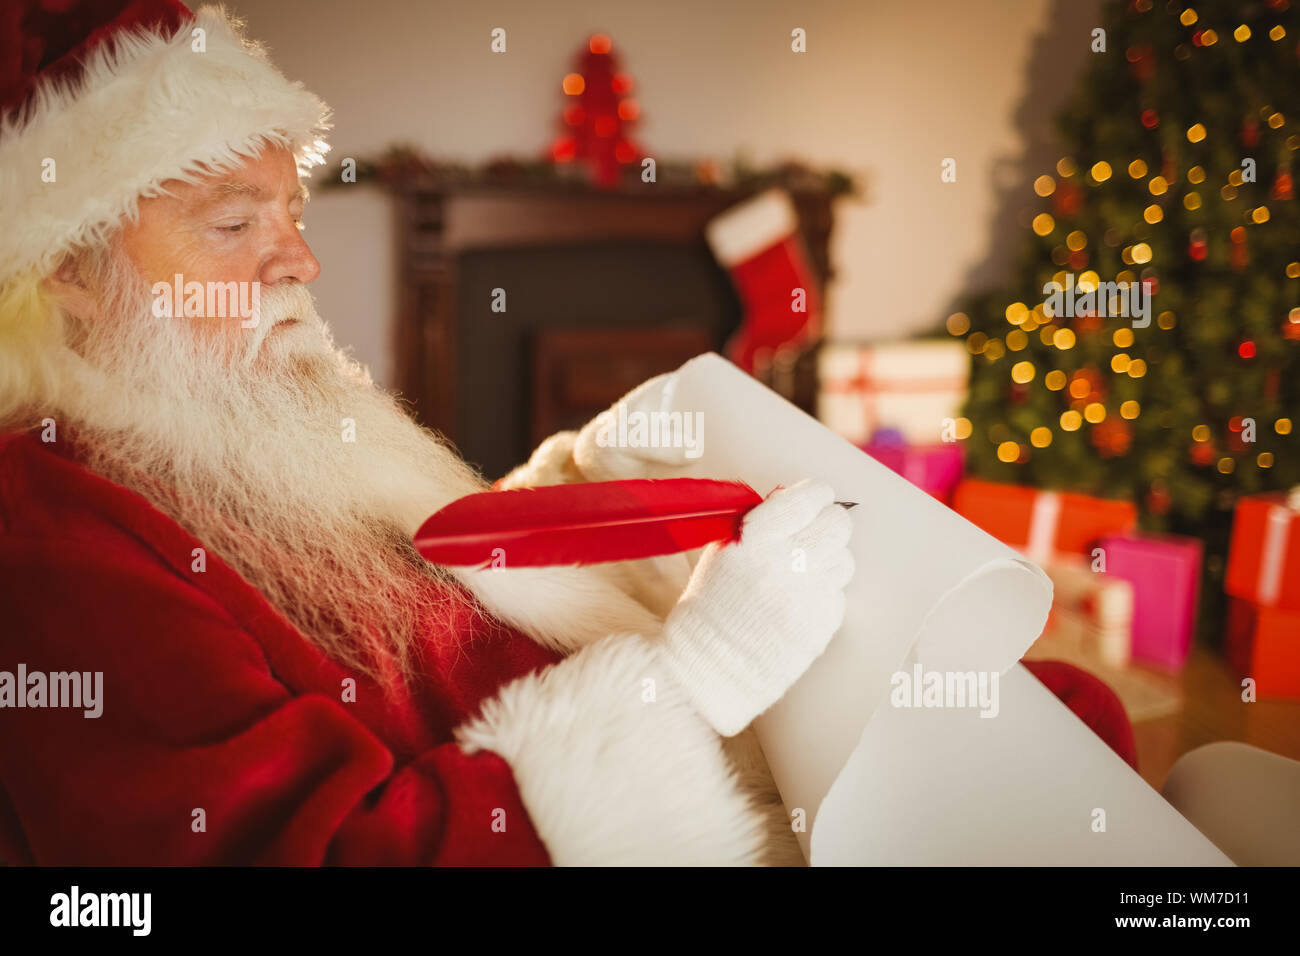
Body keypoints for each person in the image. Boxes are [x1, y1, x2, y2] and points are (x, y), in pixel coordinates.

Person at [0, 0, 853, 865]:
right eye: (233, 223)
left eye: (294, 213)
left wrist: (577, 486)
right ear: (68, 264)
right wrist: (697, 680)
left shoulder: (201, 415)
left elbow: (408, 608)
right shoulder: (45, 534)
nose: (302, 261)